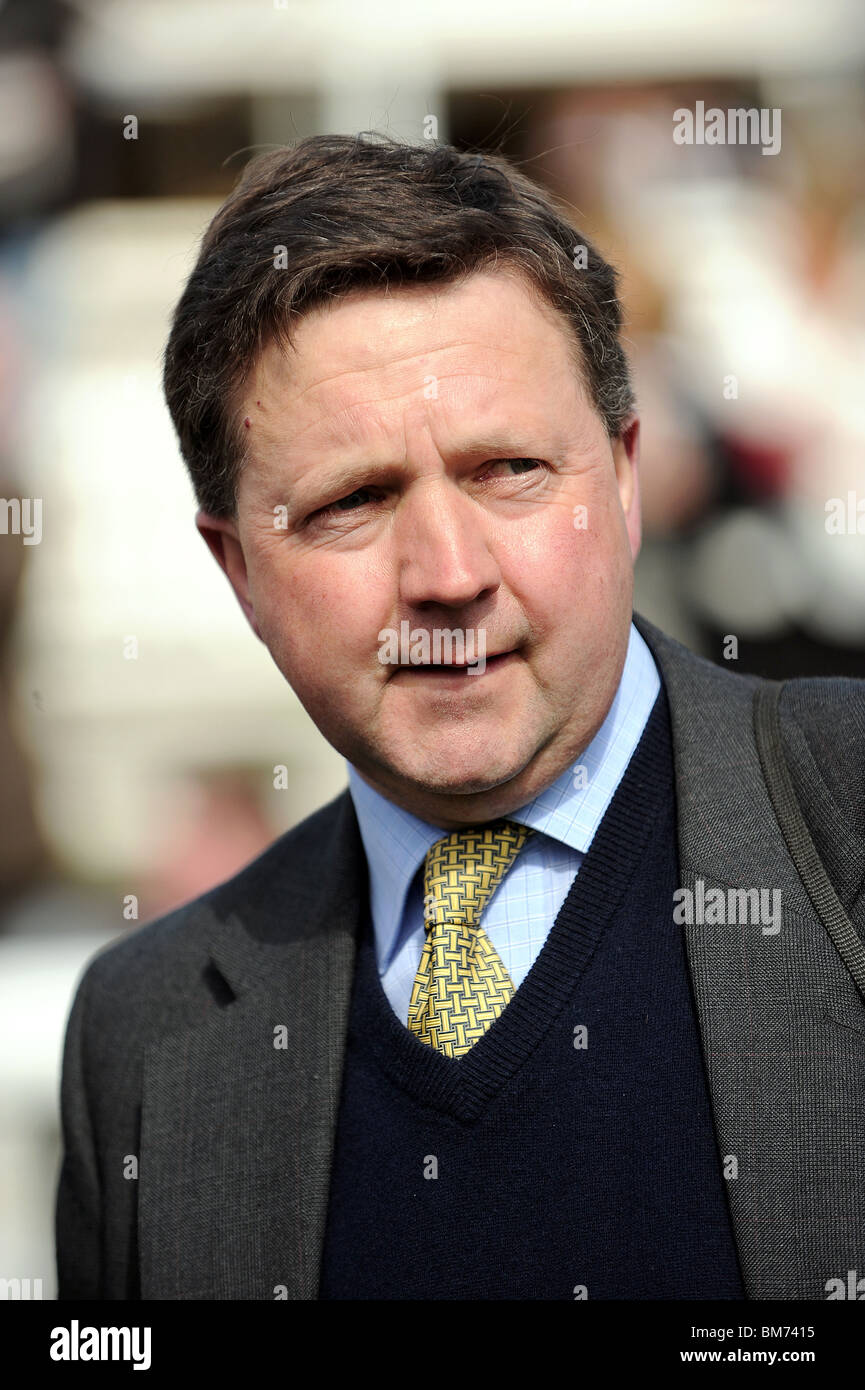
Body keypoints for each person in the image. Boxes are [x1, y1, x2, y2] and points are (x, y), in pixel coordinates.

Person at [55, 133, 865, 1301]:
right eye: (354, 500)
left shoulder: (843, 826)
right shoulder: (146, 1038)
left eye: (507, 470)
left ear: (624, 482)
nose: (446, 571)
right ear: (237, 574)